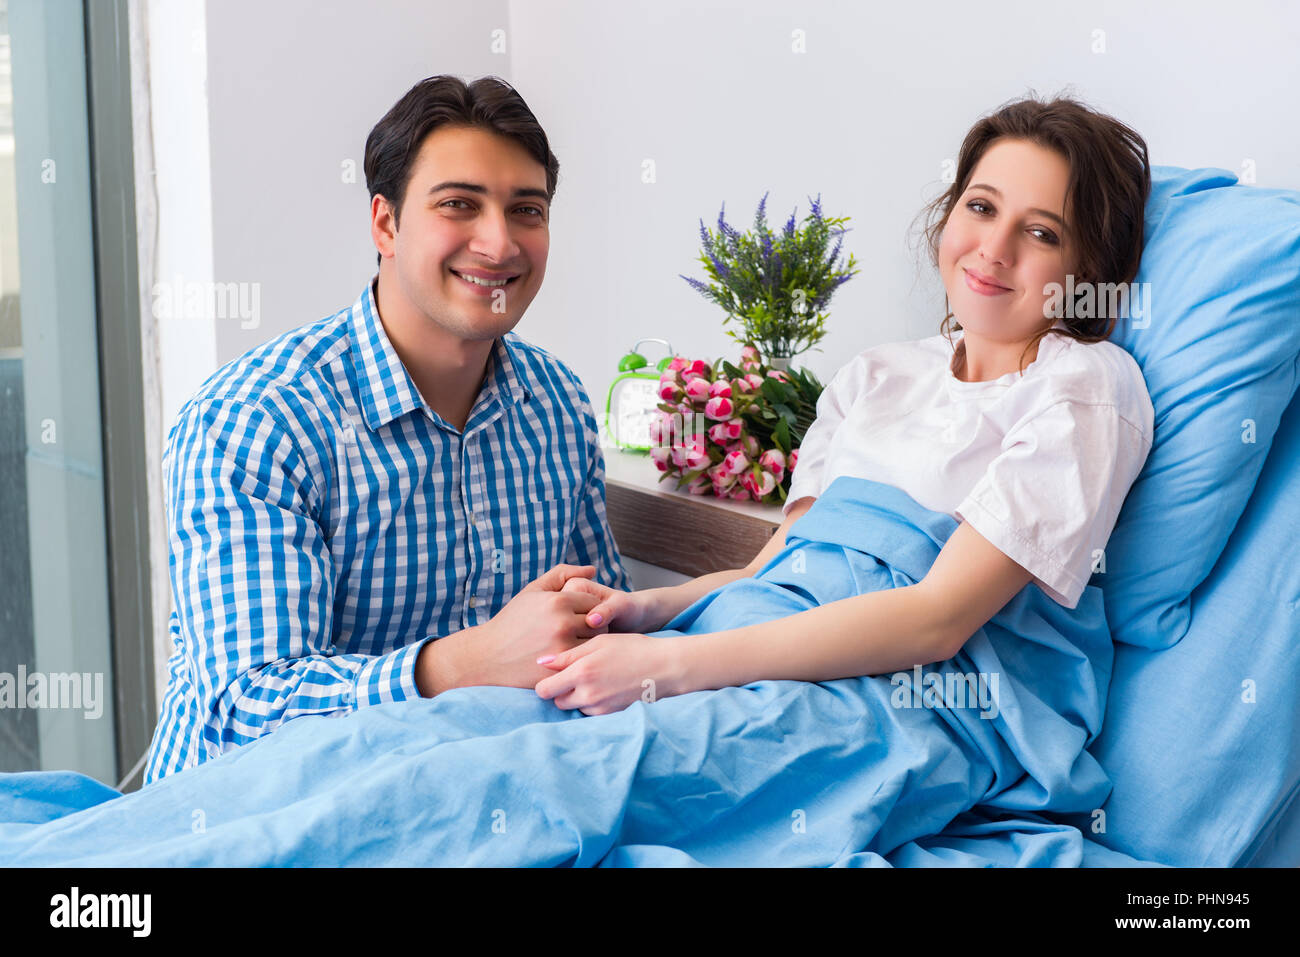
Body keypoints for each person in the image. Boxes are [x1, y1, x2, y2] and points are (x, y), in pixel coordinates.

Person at [538, 93, 1155, 715]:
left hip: (902, 696)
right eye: (981, 206)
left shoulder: (1084, 385)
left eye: (1042, 231)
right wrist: (646, 612)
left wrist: (670, 666)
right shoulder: (876, 374)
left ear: (1089, 268)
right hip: (755, 643)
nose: (995, 248)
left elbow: (936, 622)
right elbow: (773, 572)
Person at [144, 75, 630, 785]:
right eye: (459, 204)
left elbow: (599, 630)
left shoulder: (559, 405)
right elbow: (246, 711)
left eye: (526, 209)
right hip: (255, 816)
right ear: (385, 224)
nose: (498, 242)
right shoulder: (255, 421)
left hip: (480, 802)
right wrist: (466, 662)